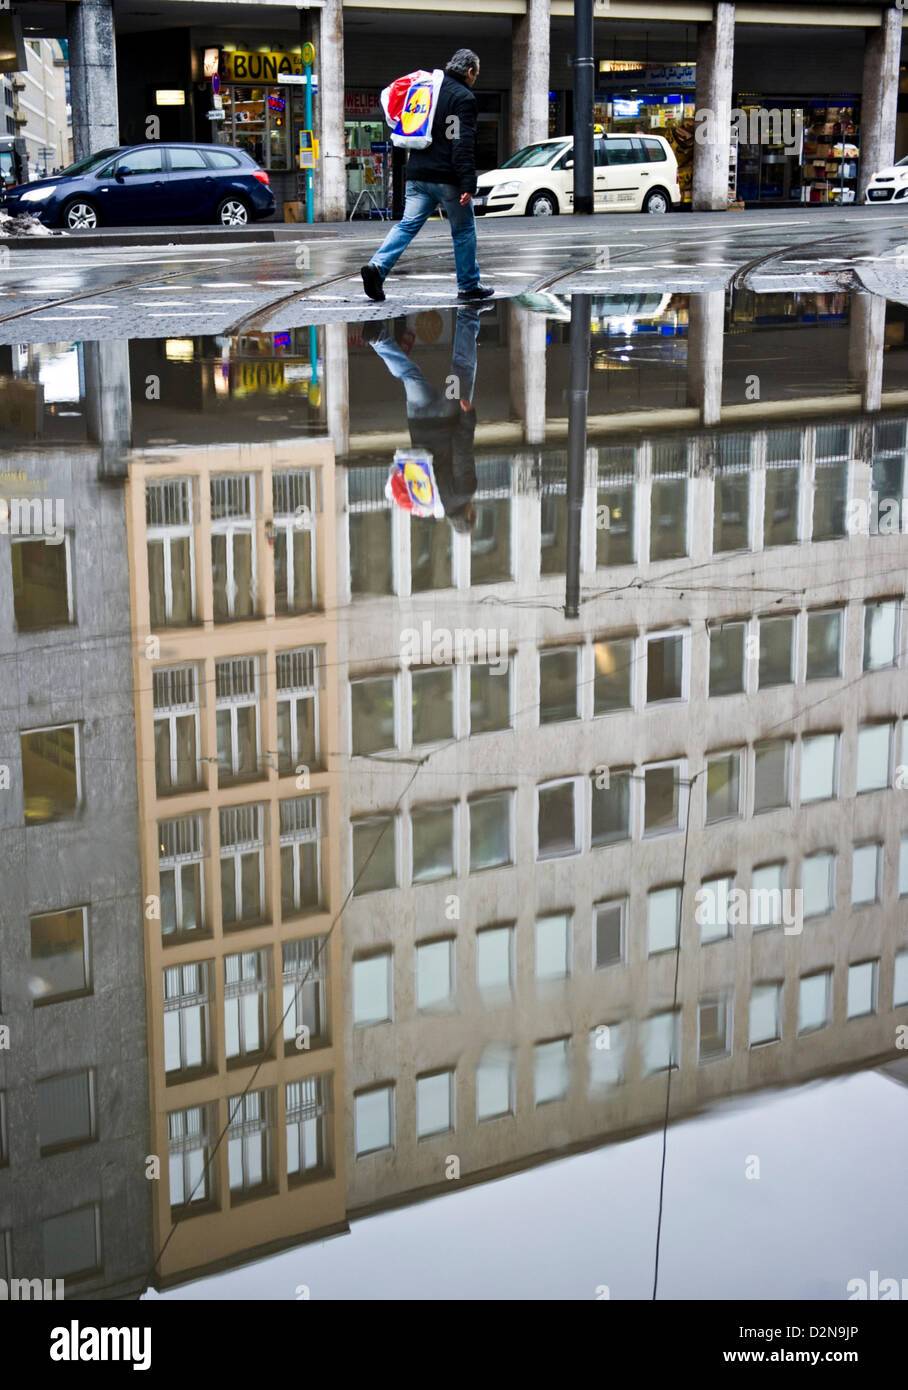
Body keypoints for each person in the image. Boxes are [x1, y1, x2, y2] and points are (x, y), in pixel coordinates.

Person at [361, 48, 493, 306]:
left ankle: (377, 268)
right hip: (446, 178)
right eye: (476, 75)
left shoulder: (429, 89)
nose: (475, 79)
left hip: (417, 173)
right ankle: (468, 285)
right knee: (464, 229)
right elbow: (460, 140)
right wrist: (467, 181)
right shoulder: (461, 98)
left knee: (406, 225)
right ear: (469, 72)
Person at [364, 306, 483, 531]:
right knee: (409, 376)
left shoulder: (464, 491)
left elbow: (461, 450)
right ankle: (378, 339)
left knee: (461, 369)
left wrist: (468, 418)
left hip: (448, 412)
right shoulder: (426, 503)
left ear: (469, 515)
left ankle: (469, 314)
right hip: (420, 420)